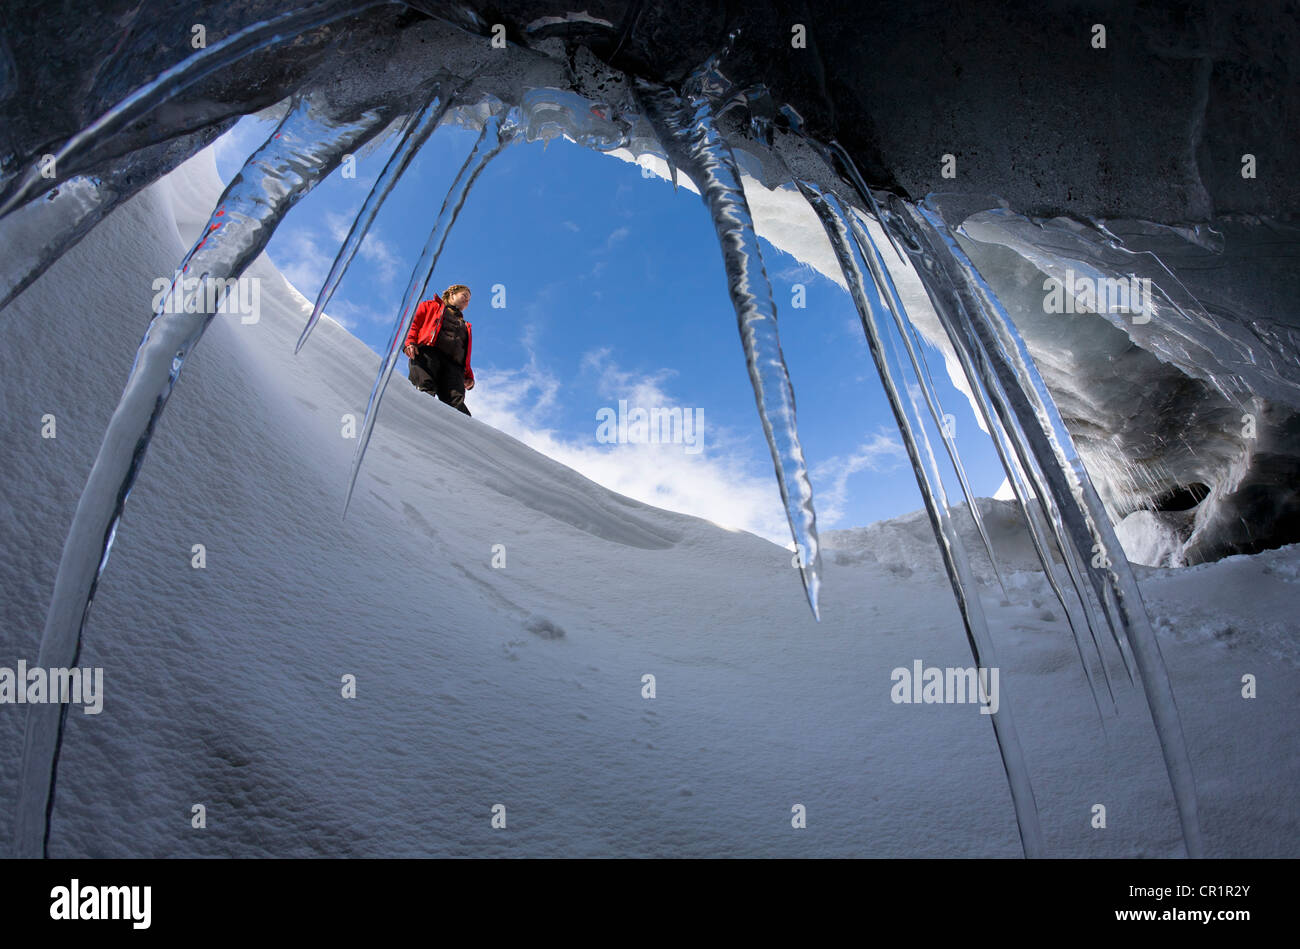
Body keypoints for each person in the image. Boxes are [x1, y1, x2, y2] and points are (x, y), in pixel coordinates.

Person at [403, 284, 475, 416]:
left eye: (469, 300)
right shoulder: (430, 306)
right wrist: (410, 343)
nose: (467, 301)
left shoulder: (466, 326)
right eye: (464, 295)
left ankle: (461, 428)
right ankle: (415, 419)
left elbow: (465, 352)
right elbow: (414, 324)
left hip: (454, 366)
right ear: (452, 294)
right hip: (429, 353)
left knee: (456, 404)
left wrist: (469, 376)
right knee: (424, 389)